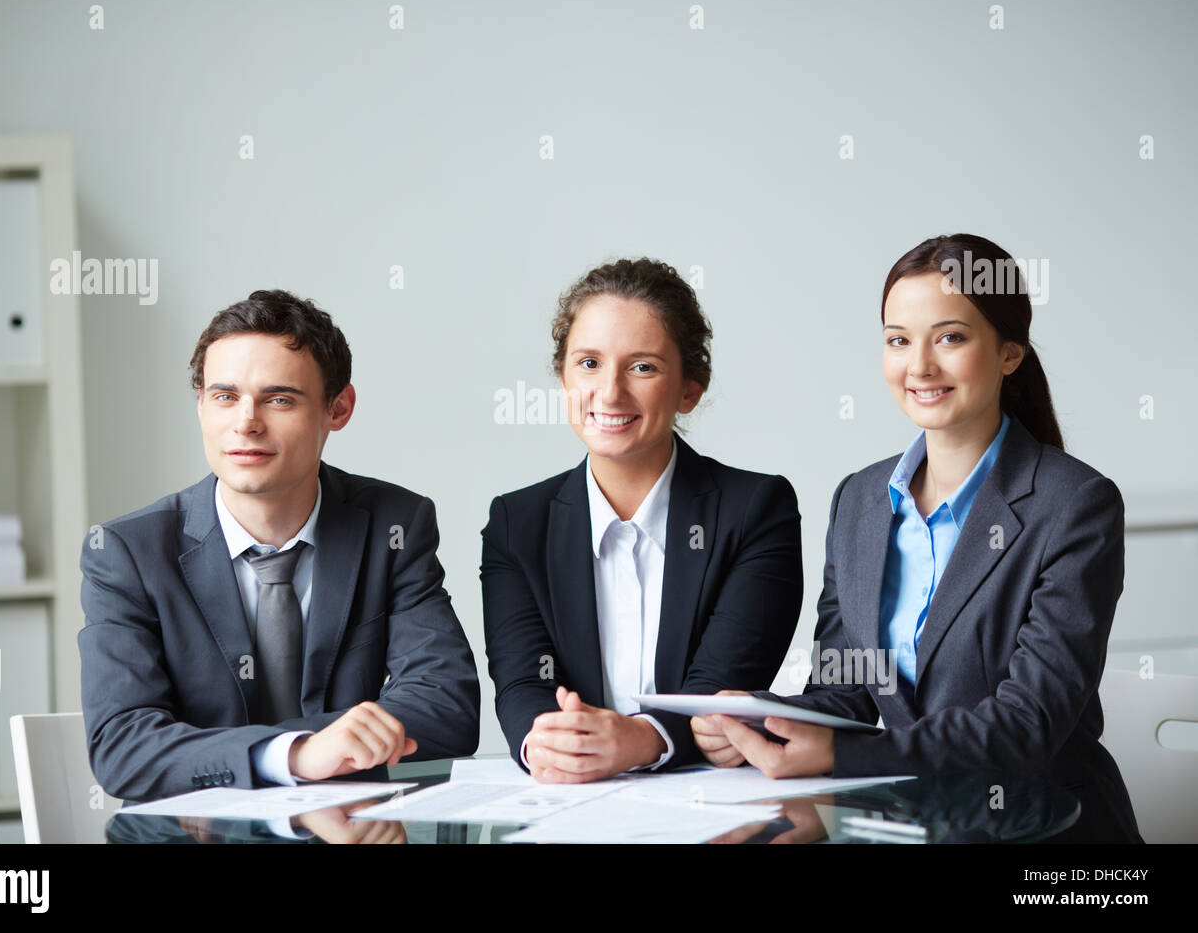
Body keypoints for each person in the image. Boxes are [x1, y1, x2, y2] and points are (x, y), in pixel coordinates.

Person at [692, 234, 1142, 842]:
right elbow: (847, 689)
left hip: (1042, 830)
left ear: (1010, 353)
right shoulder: (859, 500)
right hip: (907, 826)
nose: (919, 365)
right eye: (898, 340)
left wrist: (837, 755)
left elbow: (1025, 723)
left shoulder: (1075, 505)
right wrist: (756, 718)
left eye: (950, 337)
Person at [79, 290, 480, 803]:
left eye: (279, 399)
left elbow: (446, 705)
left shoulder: (393, 525)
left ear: (338, 408)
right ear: (201, 405)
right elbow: (123, 748)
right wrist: (294, 753)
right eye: (225, 396)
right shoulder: (127, 553)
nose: (246, 422)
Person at [481, 258, 803, 782]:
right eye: (588, 363)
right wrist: (545, 744)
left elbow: (724, 684)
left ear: (689, 390)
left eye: (643, 367)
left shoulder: (757, 509)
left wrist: (644, 739)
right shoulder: (517, 523)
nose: (610, 392)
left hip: (710, 803)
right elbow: (522, 683)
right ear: (562, 374)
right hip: (569, 802)